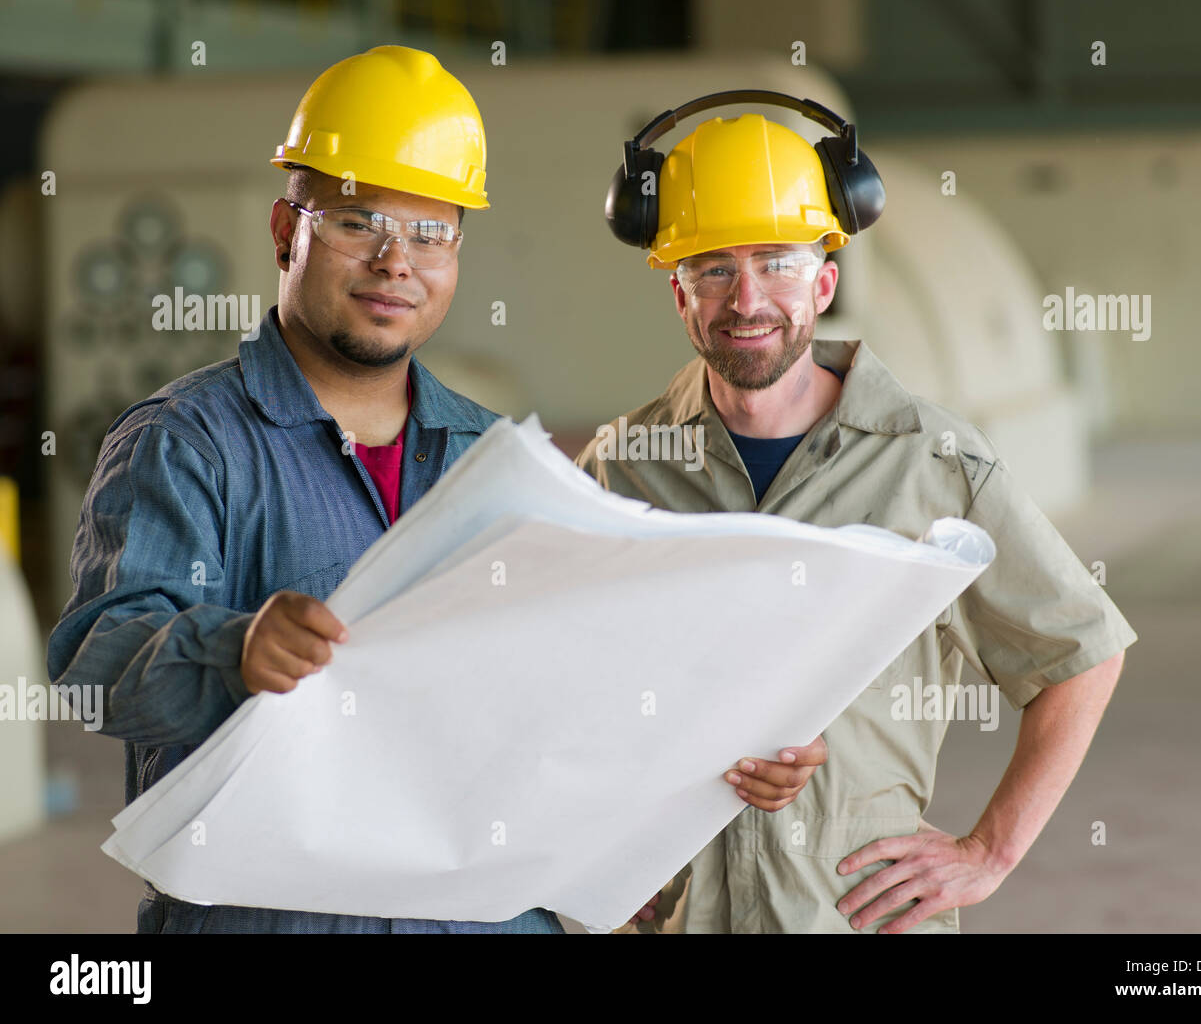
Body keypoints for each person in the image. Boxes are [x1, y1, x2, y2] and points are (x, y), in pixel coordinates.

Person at [579, 94, 1136, 934]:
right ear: (679, 294)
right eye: (714, 267)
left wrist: (990, 850)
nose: (749, 297)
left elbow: (1081, 656)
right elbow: (571, 684)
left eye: (777, 261)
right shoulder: (624, 463)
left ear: (825, 280)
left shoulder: (932, 461)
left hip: (855, 919)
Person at [46, 45, 567, 933]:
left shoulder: (495, 457)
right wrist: (235, 648)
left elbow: (558, 691)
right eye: (358, 220)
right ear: (288, 231)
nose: (396, 260)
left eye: (431, 231)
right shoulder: (187, 443)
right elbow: (96, 667)